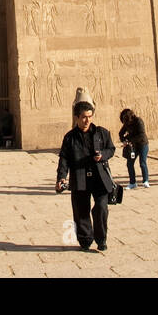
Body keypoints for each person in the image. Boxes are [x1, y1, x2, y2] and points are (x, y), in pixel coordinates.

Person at [56, 101, 116, 251]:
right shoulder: (70, 138)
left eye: (90, 116)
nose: (87, 120)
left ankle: (101, 239)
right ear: (76, 117)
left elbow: (111, 149)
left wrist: (102, 156)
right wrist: (61, 177)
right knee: (81, 211)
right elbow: (64, 158)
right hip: (80, 178)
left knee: (102, 208)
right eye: (83, 117)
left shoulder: (102, 132)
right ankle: (85, 240)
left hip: (100, 178)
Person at [118, 108, 149, 189]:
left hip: (142, 144)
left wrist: (129, 140)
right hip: (133, 146)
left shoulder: (138, 121)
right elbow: (121, 133)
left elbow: (141, 135)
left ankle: (145, 181)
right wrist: (124, 141)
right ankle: (132, 183)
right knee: (129, 163)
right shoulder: (126, 123)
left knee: (142, 162)